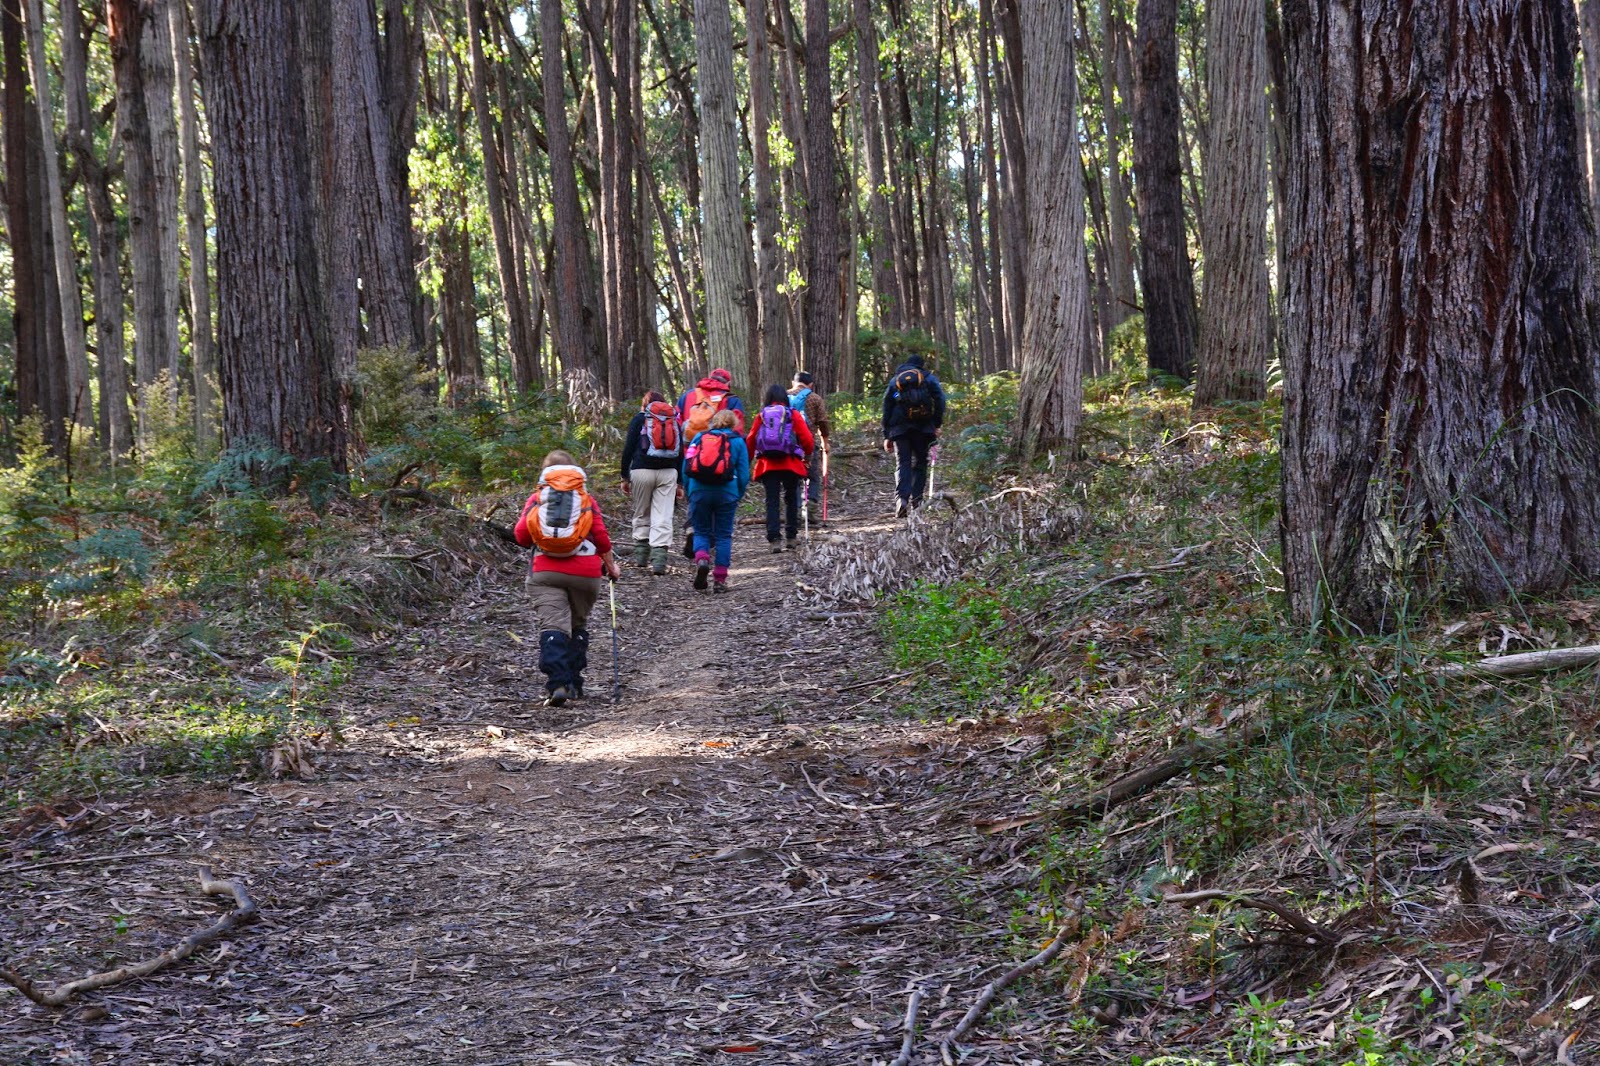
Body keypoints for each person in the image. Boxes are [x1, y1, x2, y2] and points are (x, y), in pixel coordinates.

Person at [513, 451, 621, 706]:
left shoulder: (538, 498)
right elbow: (601, 538)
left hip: (545, 572)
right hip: (586, 572)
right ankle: (574, 682)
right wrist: (611, 566)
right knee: (577, 624)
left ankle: (558, 683)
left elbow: (520, 536)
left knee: (553, 625)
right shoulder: (586, 499)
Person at [676, 368, 746, 556]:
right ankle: (711, 543)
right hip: (724, 463)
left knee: (698, 495)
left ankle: (694, 530)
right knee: (720, 502)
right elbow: (738, 431)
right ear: (727, 383)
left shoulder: (688, 396)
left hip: (691, 454)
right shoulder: (731, 400)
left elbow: (677, 424)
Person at [683, 409, 751, 592]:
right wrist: (738, 493)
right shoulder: (738, 442)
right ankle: (720, 580)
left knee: (701, 531)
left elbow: (686, 466)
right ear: (733, 424)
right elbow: (744, 474)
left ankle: (703, 559)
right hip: (727, 493)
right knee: (723, 535)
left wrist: (690, 491)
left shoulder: (699, 438)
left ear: (714, 422)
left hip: (699, 491)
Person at [619, 390, 682, 575]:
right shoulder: (673, 419)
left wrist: (624, 476)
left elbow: (628, 449)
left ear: (644, 404)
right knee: (663, 514)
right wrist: (680, 482)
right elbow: (681, 452)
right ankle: (659, 562)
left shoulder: (640, 419)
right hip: (668, 472)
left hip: (641, 471)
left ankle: (641, 557)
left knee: (642, 511)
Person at [749, 383, 816, 552]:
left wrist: (750, 459)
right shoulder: (792, 414)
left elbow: (751, 439)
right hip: (791, 463)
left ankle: (774, 540)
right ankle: (791, 537)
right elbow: (807, 438)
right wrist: (807, 456)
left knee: (772, 501)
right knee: (791, 498)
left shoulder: (762, 415)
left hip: (767, 465)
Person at [881, 352, 947, 516]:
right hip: (923, 428)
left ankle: (901, 499)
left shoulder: (896, 382)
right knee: (920, 463)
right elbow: (940, 400)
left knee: (903, 462)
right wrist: (936, 424)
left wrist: (887, 434)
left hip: (899, 429)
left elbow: (888, 404)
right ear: (921, 365)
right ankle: (917, 501)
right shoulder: (927, 378)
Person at [788, 371, 831, 525]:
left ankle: (796, 511)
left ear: (793, 382)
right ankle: (810, 510)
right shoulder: (815, 398)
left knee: (793, 477)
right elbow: (822, 422)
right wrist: (825, 441)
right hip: (808, 443)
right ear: (810, 384)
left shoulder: (784, 397)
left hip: (788, 444)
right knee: (812, 476)